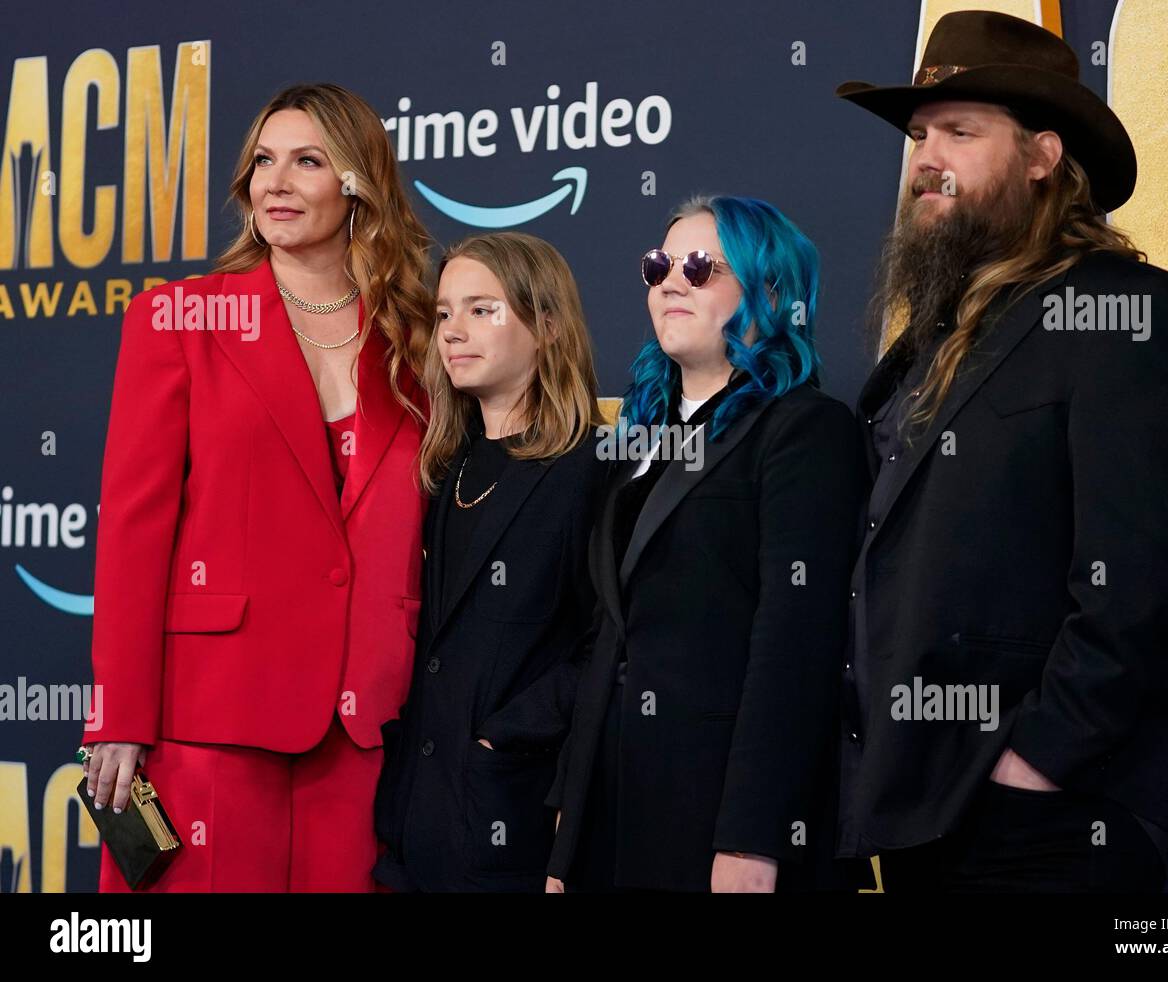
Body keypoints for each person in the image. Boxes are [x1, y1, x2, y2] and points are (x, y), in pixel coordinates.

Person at [834, 10, 1168, 892]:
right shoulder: (927, 342)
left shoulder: (1128, 312)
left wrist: (1035, 764)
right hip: (918, 808)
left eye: (961, 132)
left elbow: (1140, 581)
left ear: (1044, 157)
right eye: (921, 134)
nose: (927, 156)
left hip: (1049, 817)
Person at [81, 82, 437, 891]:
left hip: (367, 724)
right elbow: (134, 530)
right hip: (210, 718)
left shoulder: (416, 338)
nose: (275, 183)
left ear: (358, 183)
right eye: (263, 163)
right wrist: (120, 716)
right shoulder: (182, 318)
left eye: (307, 161)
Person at [545, 195, 865, 893]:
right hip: (610, 812)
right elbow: (606, 637)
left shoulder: (806, 431)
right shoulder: (635, 442)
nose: (671, 281)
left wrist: (754, 837)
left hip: (720, 819)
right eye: (659, 265)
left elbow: (797, 646)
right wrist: (567, 840)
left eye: (700, 265)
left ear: (772, 292)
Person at [372, 232, 608, 892]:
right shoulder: (444, 470)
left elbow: (608, 644)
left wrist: (504, 736)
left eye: (483, 309)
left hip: (510, 822)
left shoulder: (590, 468)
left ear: (548, 324)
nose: (453, 331)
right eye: (445, 313)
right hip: (410, 825)